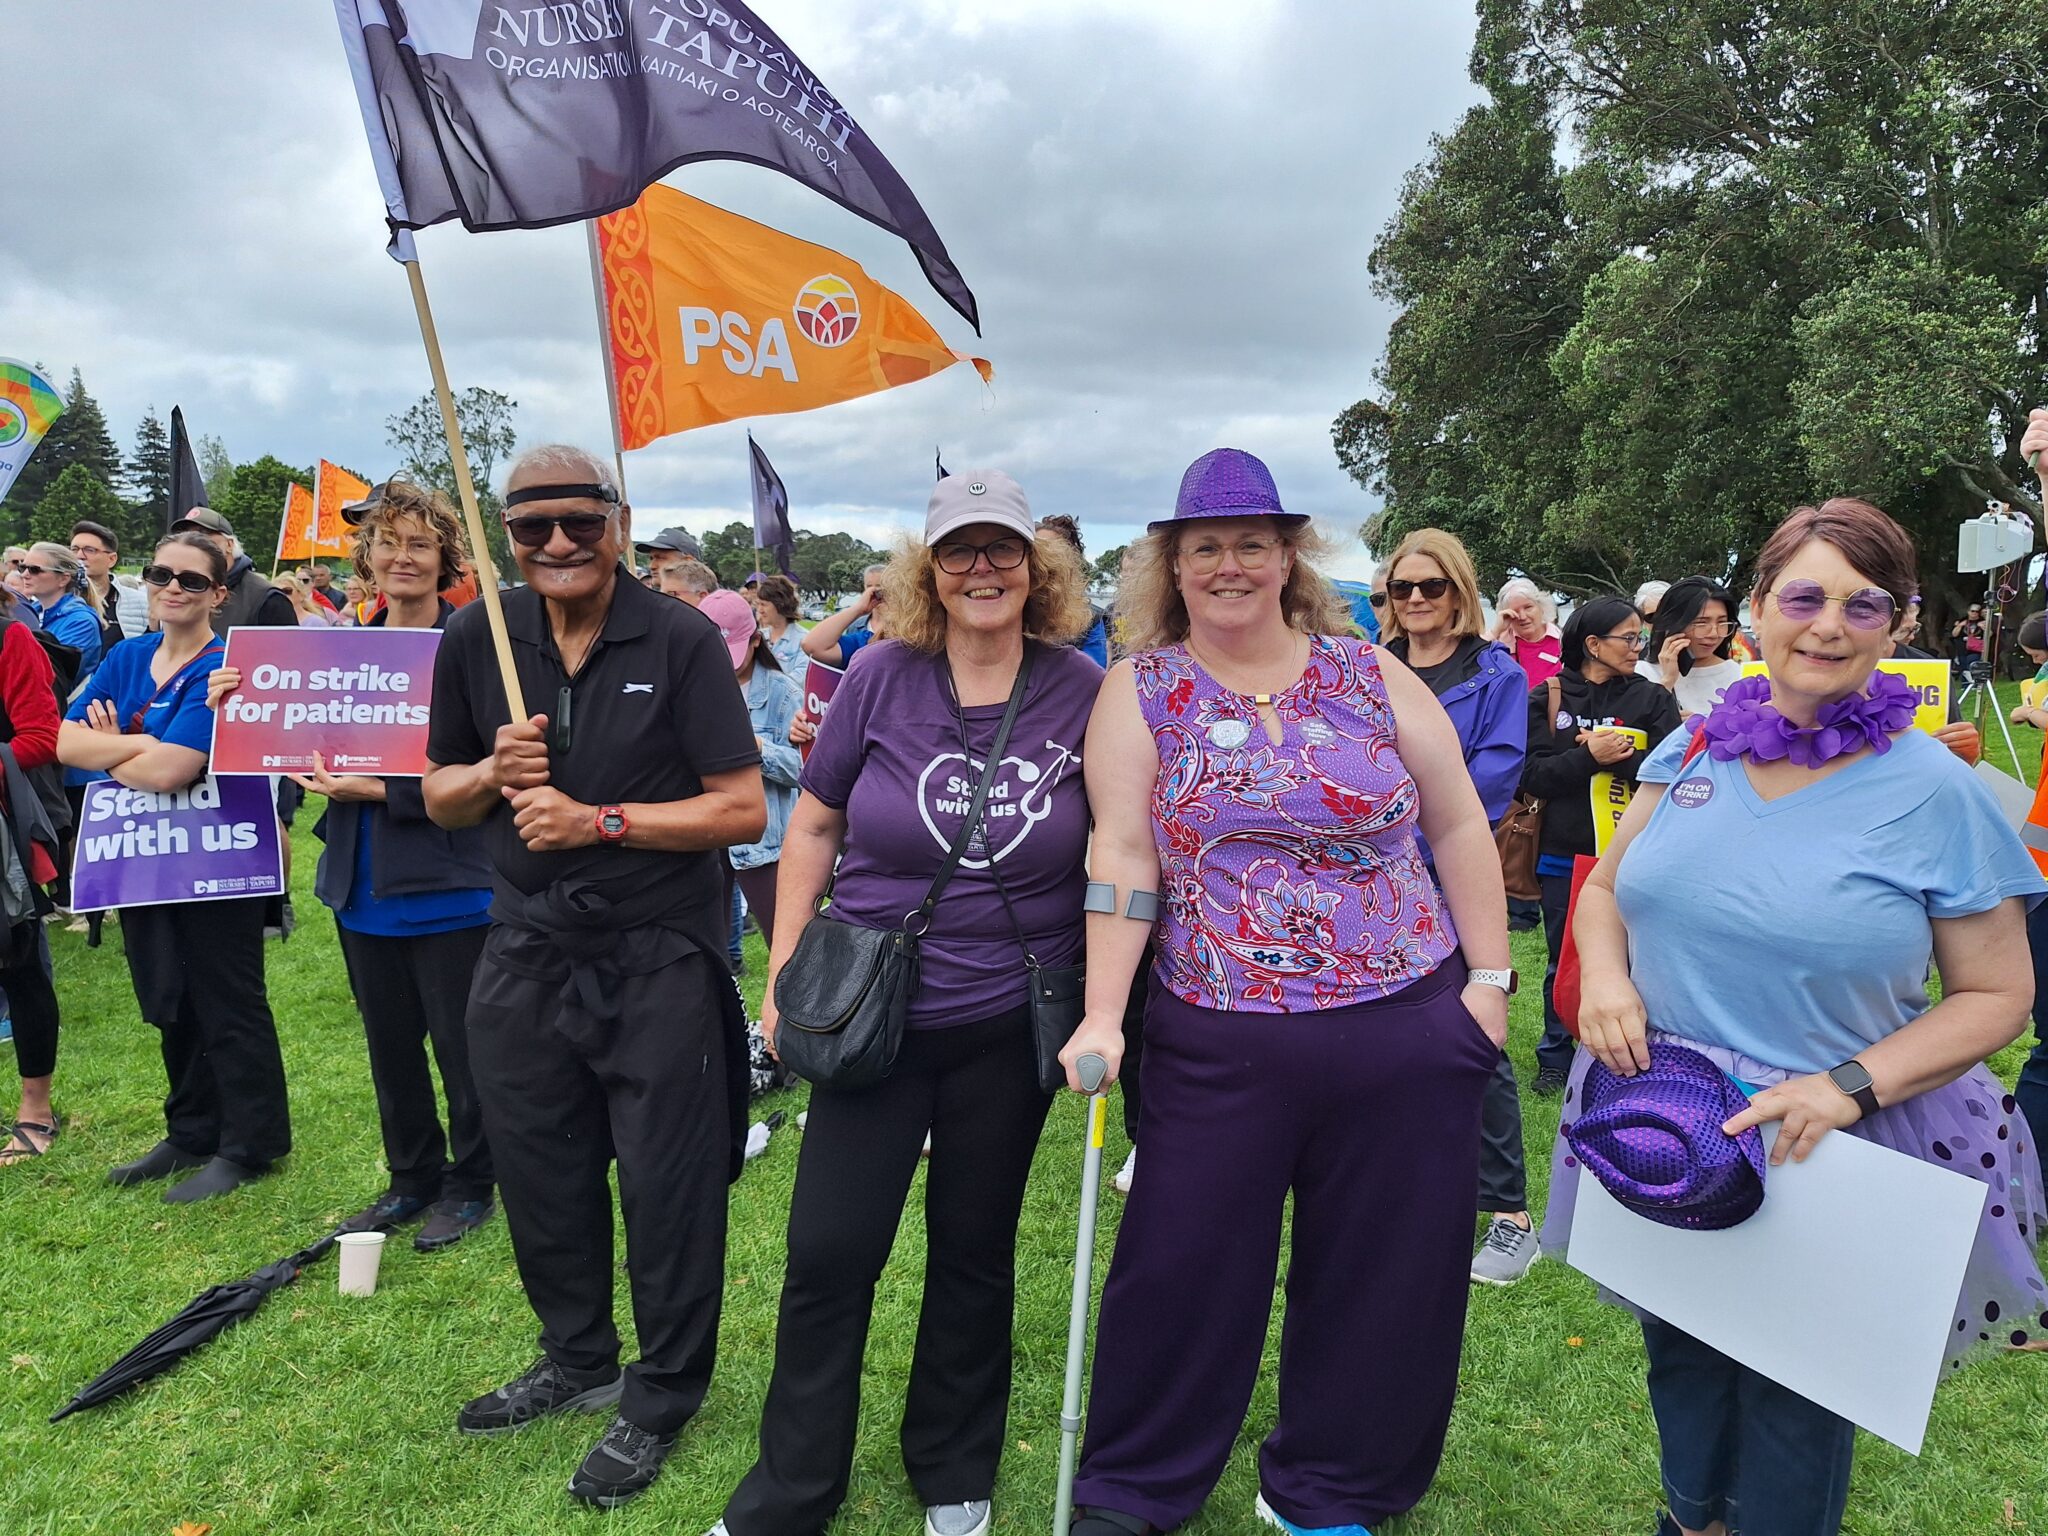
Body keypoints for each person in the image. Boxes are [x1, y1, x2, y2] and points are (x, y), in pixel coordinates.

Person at [1550, 496, 2046, 1536]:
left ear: (1897, 623)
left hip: (1828, 1136)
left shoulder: (1935, 791)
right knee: (1681, 1352)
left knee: (1794, 1397)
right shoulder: (1691, 751)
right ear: (1757, 608)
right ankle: (1690, 1522)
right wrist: (1605, 981)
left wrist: (1845, 1086)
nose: (1827, 626)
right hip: (1669, 1108)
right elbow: (1605, 892)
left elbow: (1998, 994)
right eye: (1804, 597)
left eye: (1862, 605)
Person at [1056, 449, 1510, 1536]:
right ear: (1171, 566)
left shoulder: (1368, 673)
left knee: (1383, 1272)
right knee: (1180, 1265)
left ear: (1288, 557)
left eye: (1251, 544)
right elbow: (1123, 854)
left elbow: (1455, 820)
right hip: (1220, 1035)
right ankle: (1137, 1487)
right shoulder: (1140, 688)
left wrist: (1489, 985)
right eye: (1205, 547)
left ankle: (1332, 1486)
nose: (1229, 565)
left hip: (1403, 1025)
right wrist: (1104, 1013)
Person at [713, 471, 1098, 1536]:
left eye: (1003, 549)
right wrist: (783, 974)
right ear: (929, 572)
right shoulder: (880, 676)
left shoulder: (1080, 687)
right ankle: (791, 1491)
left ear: (1038, 568)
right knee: (828, 1255)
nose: (983, 569)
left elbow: (1117, 842)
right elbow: (814, 824)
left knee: (973, 1252)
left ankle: (954, 1470)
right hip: (870, 1013)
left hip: (1006, 1022)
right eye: (959, 550)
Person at [423, 445, 765, 1509]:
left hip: (656, 953)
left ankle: (660, 1394)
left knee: (667, 1185)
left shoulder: (678, 637)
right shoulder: (476, 634)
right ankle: (575, 1358)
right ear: (507, 535)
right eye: (535, 527)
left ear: (616, 523)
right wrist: (491, 771)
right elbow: (437, 794)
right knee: (538, 1167)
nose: (560, 544)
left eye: (581, 521)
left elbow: (740, 808)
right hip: (523, 950)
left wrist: (598, 822)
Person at [212, 480, 498, 1251]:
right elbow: (280, 731)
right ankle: (411, 1179)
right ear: (365, 557)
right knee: (390, 1047)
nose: (403, 557)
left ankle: (473, 1182)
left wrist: (379, 789)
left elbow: (491, 768)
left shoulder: (470, 646)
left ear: (445, 558)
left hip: (448, 883)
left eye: (420, 544)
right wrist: (237, 701)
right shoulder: (333, 651)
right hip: (359, 883)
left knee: (464, 1050)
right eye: (388, 543)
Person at [58, 532, 289, 1202]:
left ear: (218, 594)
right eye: (161, 575)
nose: (172, 589)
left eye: (191, 580)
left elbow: (173, 770)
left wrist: (115, 743)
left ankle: (250, 1143)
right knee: (168, 994)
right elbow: (63, 739)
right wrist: (141, 747)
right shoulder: (127, 656)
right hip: (142, 859)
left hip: (219, 858)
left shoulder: (229, 669)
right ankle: (191, 1131)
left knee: (227, 998)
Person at [1378, 528, 1539, 1285]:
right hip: (1366, 886)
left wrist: (1391, 832)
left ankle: (1510, 1215)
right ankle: (1404, 1188)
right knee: (1383, 1037)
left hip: (1447, 881)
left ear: (1459, 592)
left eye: (1431, 586)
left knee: (1476, 1031)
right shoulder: (1367, 665)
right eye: (1401, 588)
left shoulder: (1496, 675)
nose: (1416, 599)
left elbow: (1489, 785)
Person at [1520, 596, 1683, 1096]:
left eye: (1640, 638)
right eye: (1628, 638)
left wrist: (1619, 757)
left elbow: (1675, 774)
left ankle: (1631, 1051)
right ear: (1593, 644)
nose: (1638, 648)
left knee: (1635, 960)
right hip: (1564, 854)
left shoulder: (1652, 699)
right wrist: (1588, 757)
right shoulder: (1547, 696)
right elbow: (1532, 776)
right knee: (1562, 959)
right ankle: (1555, 1056)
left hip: (1637, 857)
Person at [698, 590, 800, 961]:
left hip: (766, 844)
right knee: (708, 948)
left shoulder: (783, 693)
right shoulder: (693, 688)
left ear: (756, 640)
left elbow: (805, 771)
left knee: (788, 949)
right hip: (707, 835)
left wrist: (756, 749)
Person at [0, 583, 64, 1166]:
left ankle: (36, 1109)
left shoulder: (10, 636)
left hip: (2, 835)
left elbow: (42, 738)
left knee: (19, 966)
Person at [169, 508, 298, 633]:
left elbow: (290, 647)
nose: (192, 543)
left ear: (229, 545)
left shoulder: (267, 599)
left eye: (202, 534)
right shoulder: (176, 590)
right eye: (186, 536)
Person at [1638, 575, 1743, 717]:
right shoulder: (1642, 673)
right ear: (1673, 623)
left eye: (1722, 622)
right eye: (1701, 623)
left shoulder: (1738, 675)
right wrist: (1667, 681)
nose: (1713, 634)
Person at [19, 543, 104, 681]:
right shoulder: (30, 612)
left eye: (34, 570)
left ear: (63, 579)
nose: (24, 575)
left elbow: (50, 674)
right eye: (22, 568)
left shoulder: (81, 622)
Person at [1036, 513, 1111, 665]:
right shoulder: (1014, 609)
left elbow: (1094, 672)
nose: (1041, 559)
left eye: (1050, 551)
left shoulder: (1089, 620)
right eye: (1035, 550)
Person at [70, 520, 149, 643]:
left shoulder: (139, 603)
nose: (80, 556)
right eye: (74, 549)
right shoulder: (57, 599)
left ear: (112, 559)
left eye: (89, 550)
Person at [799, 563, 887, 667]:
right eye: (869, 586)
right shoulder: (859, 631)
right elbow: (812, 645)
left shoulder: (901, 630)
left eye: (879, 587)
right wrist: (858, 609)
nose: (874, 592)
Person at [1490, 576, 1562, 687]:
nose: (1522, 617)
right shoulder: (1498, 645)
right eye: (1515, 611)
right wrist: (1495, 631)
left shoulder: (1563, 640)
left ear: (1541, 607)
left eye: (1528, 607)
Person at [751, 573, 809, 685]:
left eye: (764, 605)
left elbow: (800, 679)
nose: (760, 610)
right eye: (758, 604)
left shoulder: (804, 640)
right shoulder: (757, 638)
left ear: (780, 604)